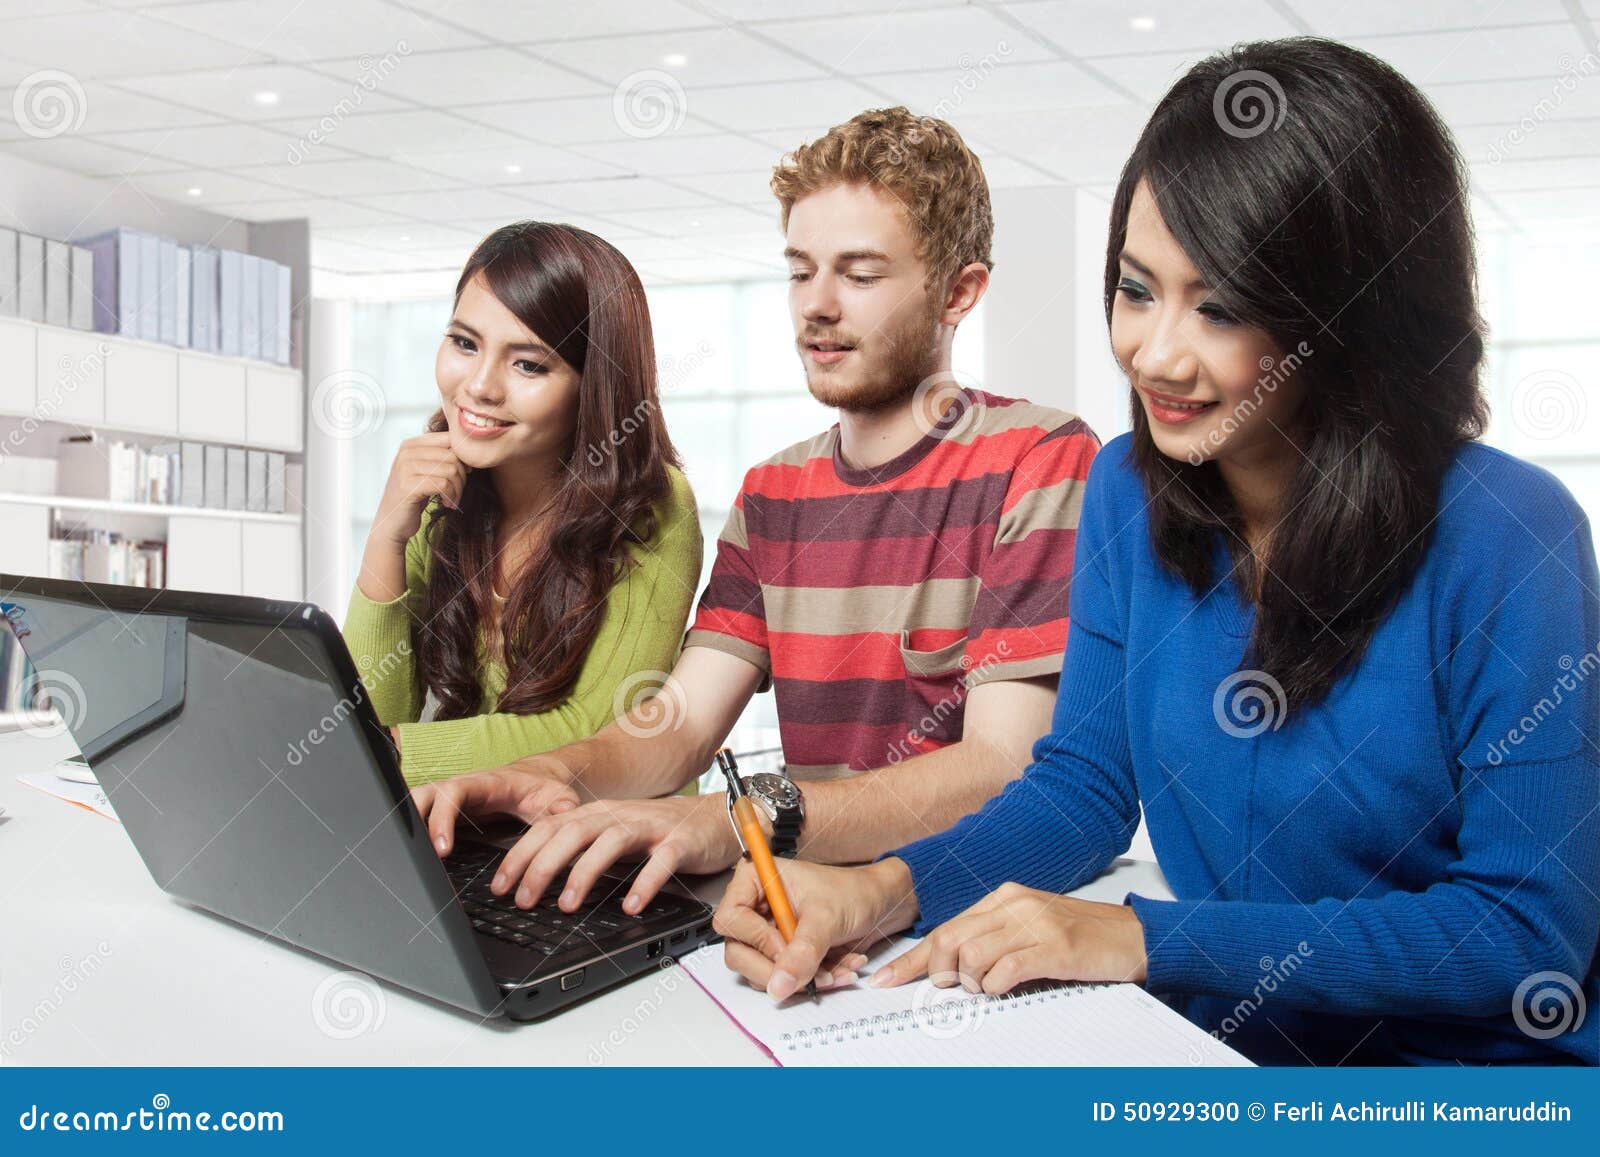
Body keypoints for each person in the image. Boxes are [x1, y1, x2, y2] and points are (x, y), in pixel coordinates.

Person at [713, 39, 1600, 1066]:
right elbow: (1083, 790)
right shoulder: (1127, 493)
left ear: (1351, 317)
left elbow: (1522, 932)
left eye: (1220, 308)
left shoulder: (1509, 531)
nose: (1156, 354)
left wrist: (1145, 937)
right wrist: (881, 890)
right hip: (1221, 1055)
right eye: (1137, 291)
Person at [413, 108, 1100, 924]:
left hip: (963, 915)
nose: (818, 306)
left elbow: (1001, 765)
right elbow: (678, 725)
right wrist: (553, 772)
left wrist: (740, 820)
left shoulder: (1040, 457)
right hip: (797, 913)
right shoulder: (775, 493)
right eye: (801, 272)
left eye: (860, 276)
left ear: (959, 292)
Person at [343, 222, 702, 788]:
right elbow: (369, 719)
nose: (480, 386)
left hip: (605, 834)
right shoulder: (439, 490)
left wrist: (381, 755)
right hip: (470, 825)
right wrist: (386, 537)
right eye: (465, 343)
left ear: (595, 385)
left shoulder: (650, 505)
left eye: (528, 364)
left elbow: (595, 730)